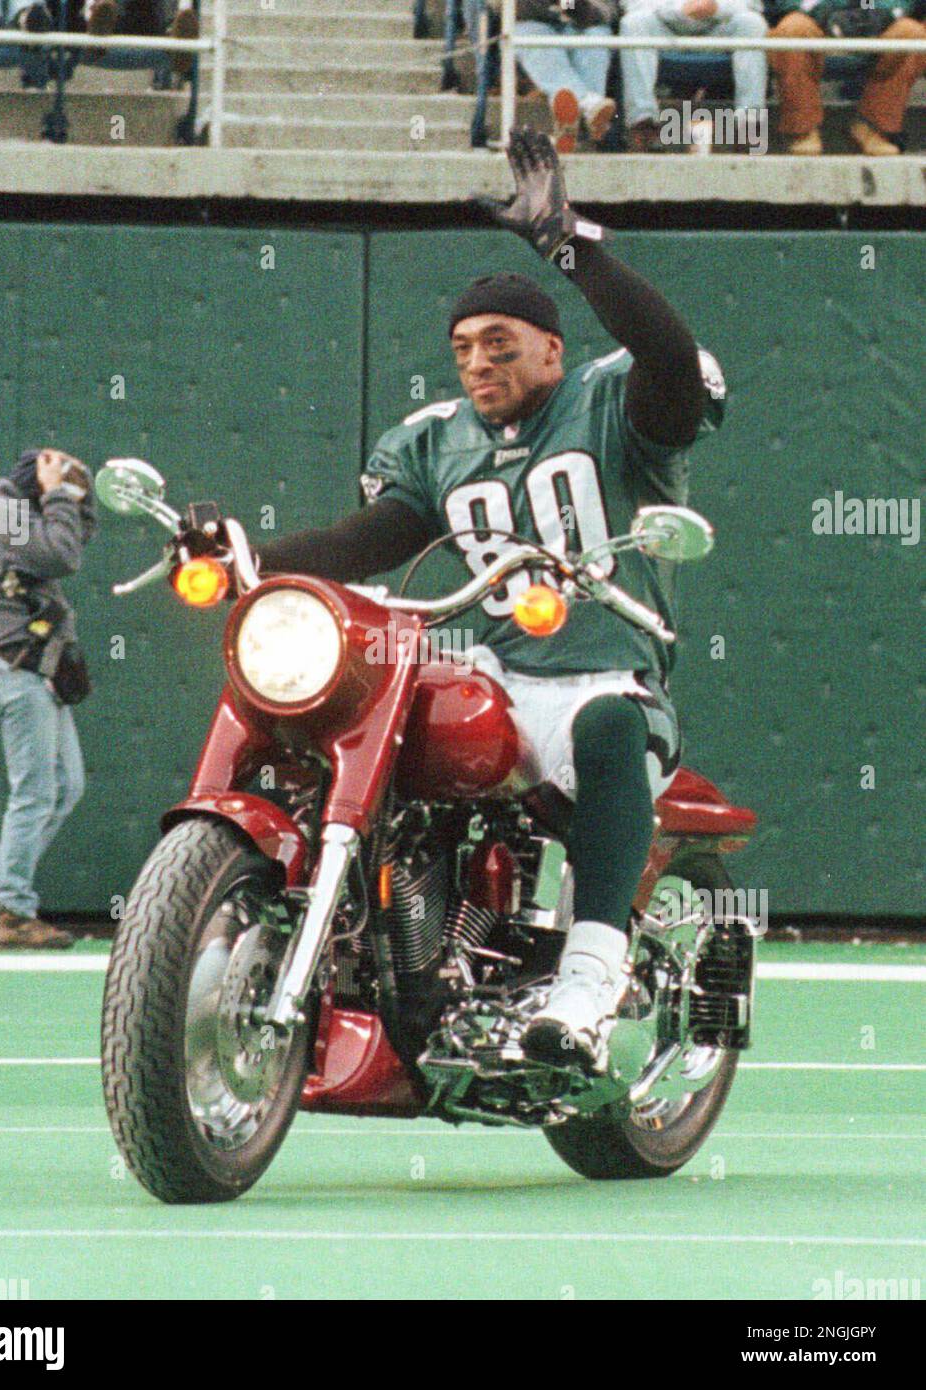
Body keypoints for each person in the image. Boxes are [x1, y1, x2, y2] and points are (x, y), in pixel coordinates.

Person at [253, 129, 726, 1074]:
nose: (478, 363)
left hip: (593, 673)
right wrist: (247, 558)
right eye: (464, 348)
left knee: (604, 730)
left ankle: (587, 984)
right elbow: (371, 540)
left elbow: (671, 363)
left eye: (500, 345)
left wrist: (571, 246)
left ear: (552, 352)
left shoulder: (605, 402)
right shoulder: (435, 440)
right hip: (485, 671)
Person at [0, 448, 96, 950]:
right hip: (18, 671)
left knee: (66, 785)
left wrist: (75, 497)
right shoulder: (1, 511)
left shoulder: (22, 512)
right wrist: (58, 493)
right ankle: (14, 912)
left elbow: (72, 544)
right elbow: (59, 556)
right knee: (36, 791)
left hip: (39, 675)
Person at [768, 0, 926, 155]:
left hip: (877, 27)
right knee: (792, 27)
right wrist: (828, 10)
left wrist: (875, 10)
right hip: (816, 24)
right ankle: (802, 130)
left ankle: (872, 127)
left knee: (911, 31)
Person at [618, 0, 768, 150]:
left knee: (752, 22)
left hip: (720, 26)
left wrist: (716, 8)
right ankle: (643, 122)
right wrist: (681, 10)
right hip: (665, 26)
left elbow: (752, 5)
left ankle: (748, 123)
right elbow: (634, 4)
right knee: (634, 21)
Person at [512, 0, 619, 150]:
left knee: (596, 34)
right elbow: (498, 7)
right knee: (531, 36)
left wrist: (572, 4)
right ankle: (589, 107)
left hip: (582, 21)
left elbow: (608, 11)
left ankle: (574, 122)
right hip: (532, 22)